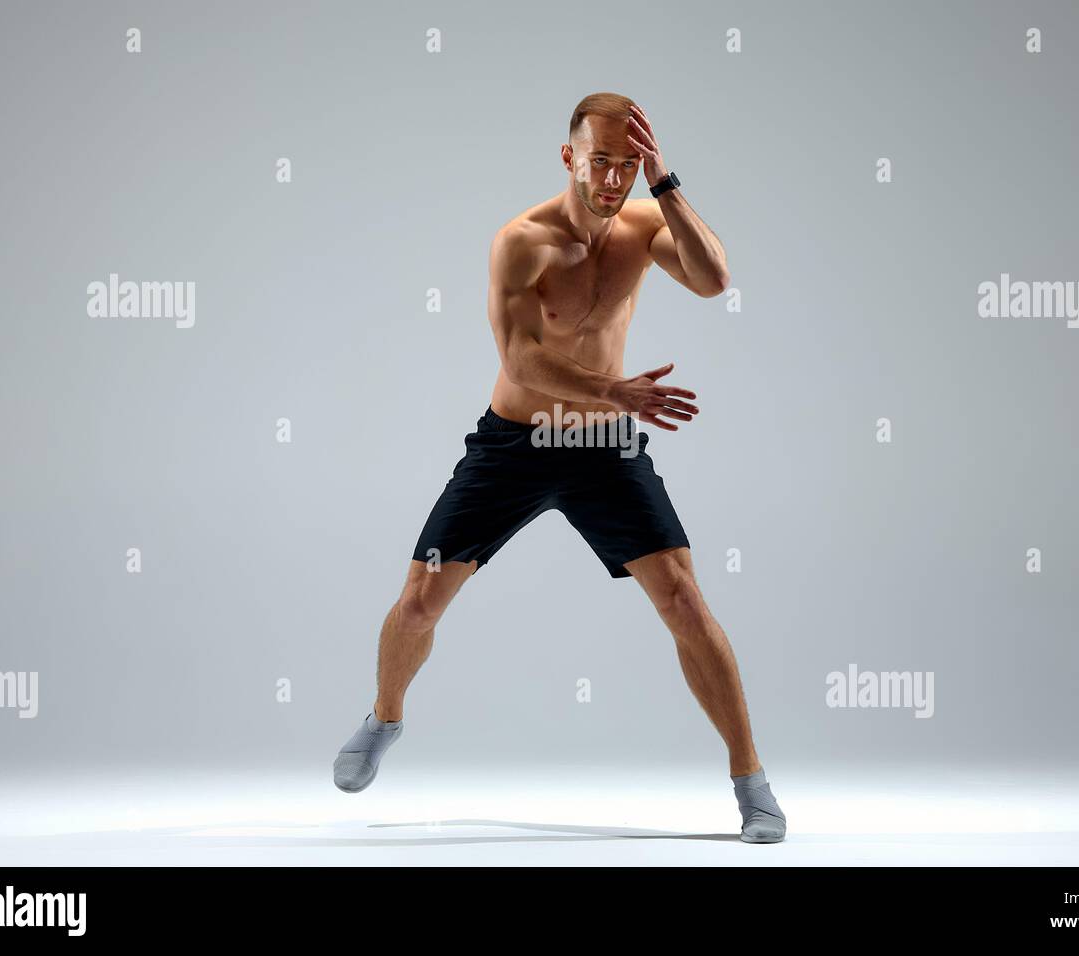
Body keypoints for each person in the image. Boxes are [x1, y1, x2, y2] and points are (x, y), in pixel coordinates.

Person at [334, 92, 786, 843]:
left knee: (682, 598)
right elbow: (518, 357)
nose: (613, 179)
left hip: (604, 449)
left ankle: (751, 780)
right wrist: (617, 389)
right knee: (420, 599)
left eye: (628, 164)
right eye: (600, 161)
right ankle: (385, 717)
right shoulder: (523, 241)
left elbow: (713, 281)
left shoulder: (644, 224)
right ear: (569, 157)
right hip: (514, 443)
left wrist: (666, 182)